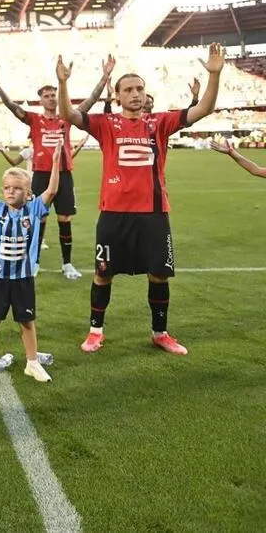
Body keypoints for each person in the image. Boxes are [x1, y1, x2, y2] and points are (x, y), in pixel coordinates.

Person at [55, 45, 224, 355]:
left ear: (146, 94)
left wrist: (215, 74)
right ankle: (96, 331)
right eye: (128, 89)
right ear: (117, 96)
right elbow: (68, 114)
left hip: (154, 213)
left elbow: (204, 110)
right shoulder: (106, 125)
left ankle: (160, 332)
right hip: (114, 214)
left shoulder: (160, 122)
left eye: (139, 88)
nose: (135, 93)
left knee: (158, 273)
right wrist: (63, 84)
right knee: (103, 273)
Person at [0, 62, 116, 280]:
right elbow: (12, 106)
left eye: (53, 95)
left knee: (65, 218)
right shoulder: (33, 119)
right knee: (38, 218)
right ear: (40, 100)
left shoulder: (67, 118)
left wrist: (105, 78)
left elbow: (90, 101)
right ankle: (35, 261)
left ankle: (67, 264)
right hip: (40, 175)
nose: (50, 98)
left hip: (64, 174)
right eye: (46, 95)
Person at [0, 139, 60, 383]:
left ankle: (32, 363)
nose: (10, 191)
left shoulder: (36, 209)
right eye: (7, 187)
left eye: (16, 188)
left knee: (27, 322)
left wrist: (56, 163)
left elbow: (51, 191)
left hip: (23, 278)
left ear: (28, 193)